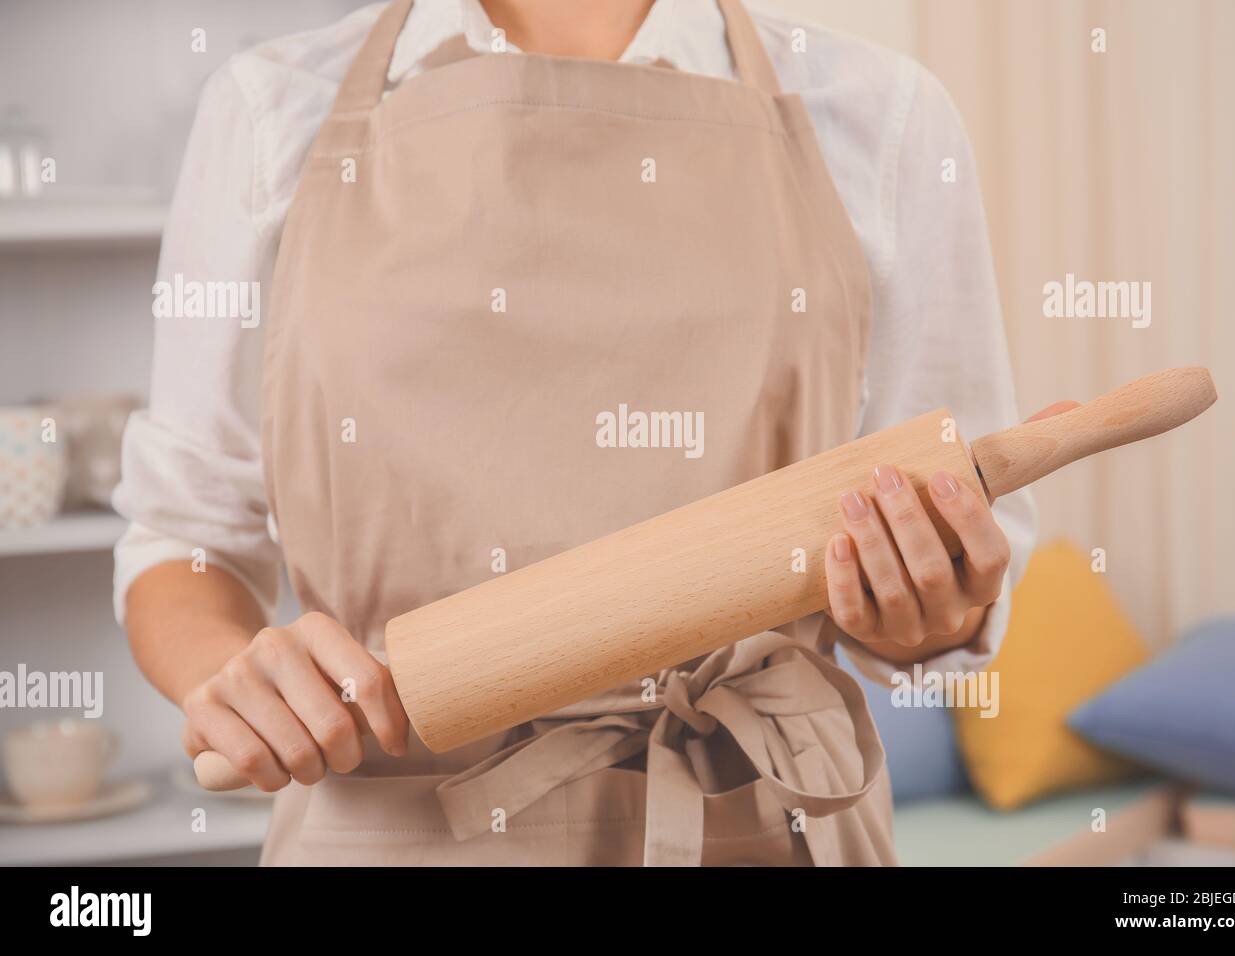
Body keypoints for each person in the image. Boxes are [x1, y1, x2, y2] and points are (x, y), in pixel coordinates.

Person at [115, 0, 1039, 866]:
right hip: (389, 824)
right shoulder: (272, 106)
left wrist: (927, 606)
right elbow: (185, 536)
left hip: (765, 812)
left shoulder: (884, 115)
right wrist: (228, 673)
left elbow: (939, 558)